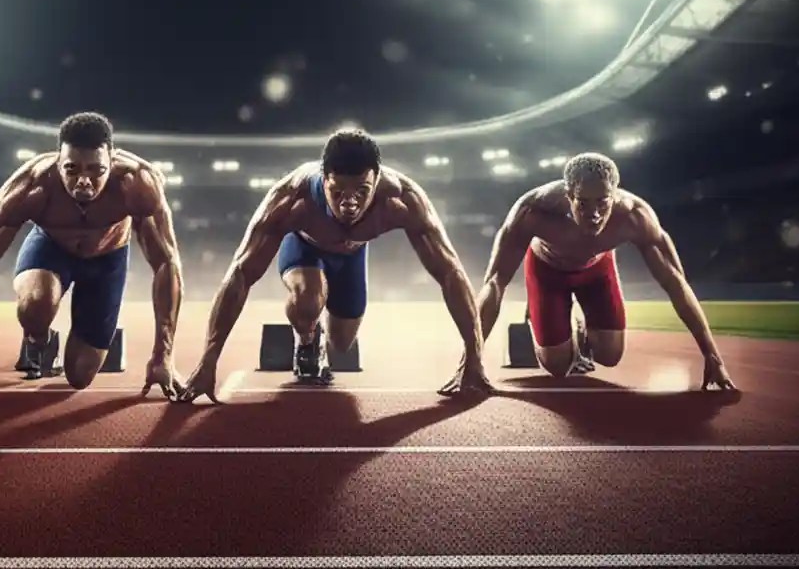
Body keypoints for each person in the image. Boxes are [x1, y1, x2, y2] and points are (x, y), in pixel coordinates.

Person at [175, 128, 490, 404]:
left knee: (341, 343)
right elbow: (241, 273)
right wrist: (208, 361)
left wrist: (474, 358)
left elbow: (450, 272)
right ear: (324, 178)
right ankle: (307, 341)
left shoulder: (402, 201)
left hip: (352, 257)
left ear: (377, 179)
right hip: (305, 250)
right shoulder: (292, 201)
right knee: (309, 301)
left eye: (361, 193)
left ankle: (324, 341)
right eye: (338, 192)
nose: (349, 204)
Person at [0, 112, 184, 401]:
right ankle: (37, 336)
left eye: (96, 170)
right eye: (72, 169)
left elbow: (166, 264)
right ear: (57, 161)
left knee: (80, 376)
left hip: (107, 259)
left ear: (112, 161)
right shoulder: (32, 187)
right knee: (36, 305)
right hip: (51, 248)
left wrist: (163, 356)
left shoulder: (137, 186)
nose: (84, 181)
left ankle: (68, 343)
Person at [446, 151, 736, 394]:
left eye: (603, 202)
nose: (594, 214)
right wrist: (471, 358)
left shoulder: (635, 217)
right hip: (548, 273)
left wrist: (712, 355)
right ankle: (547, 322)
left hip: (596, 271)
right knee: (558, 367)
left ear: (614, 194)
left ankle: (582, 327)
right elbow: (495, 283)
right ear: (568, 194)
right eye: (583, 203)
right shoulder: (533, 212)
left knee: (610, 356)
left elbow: (676, 282)